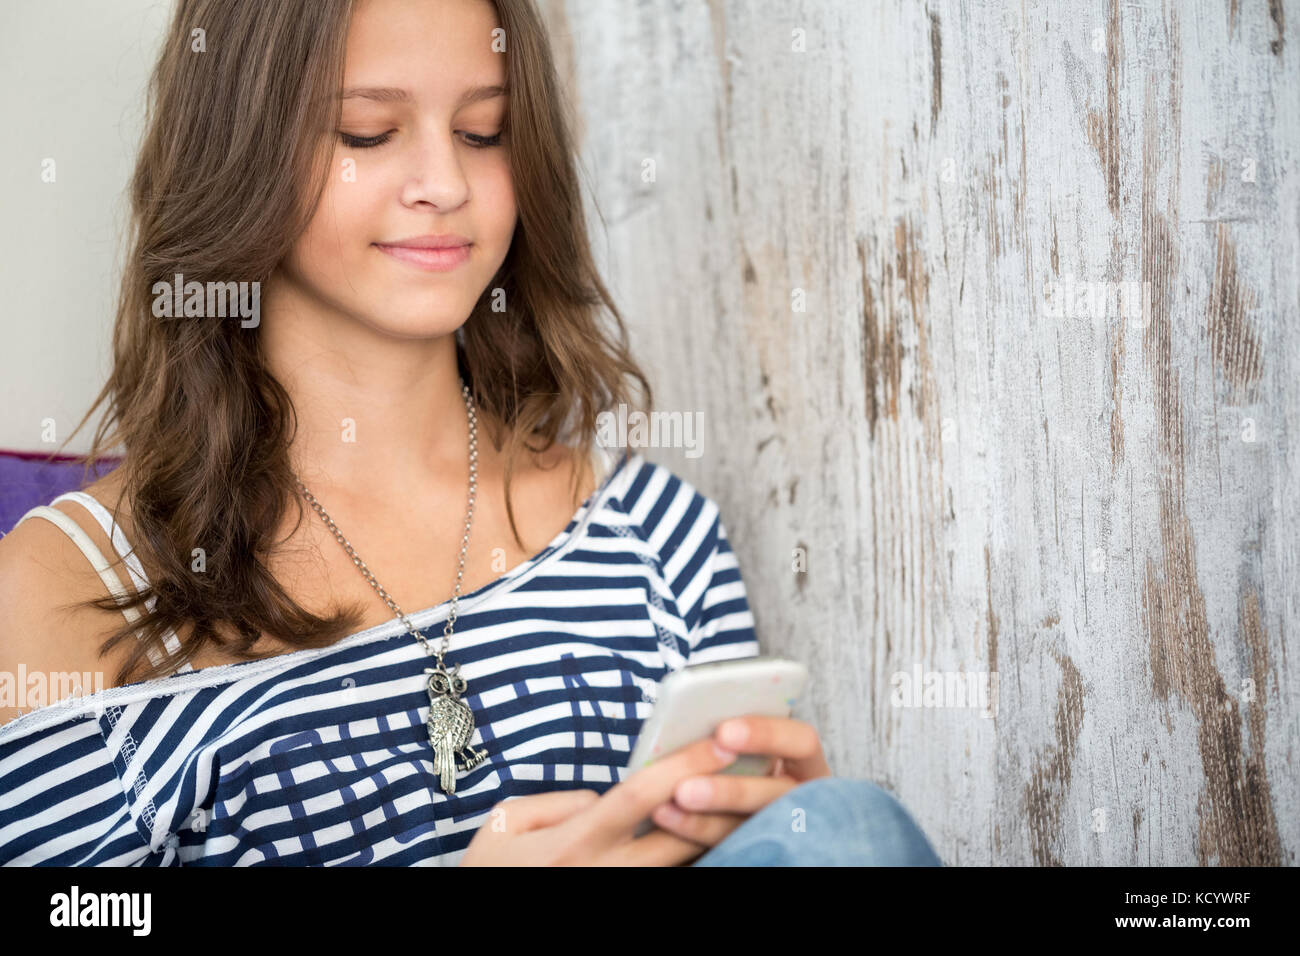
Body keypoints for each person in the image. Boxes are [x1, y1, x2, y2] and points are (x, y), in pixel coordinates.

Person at [0, 0, 941, 867]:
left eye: (483, 132)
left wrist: (789, 836)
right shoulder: (65, 591)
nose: (445, 183)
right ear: (236, 150)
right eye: (367, 130)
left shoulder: (659, 538)